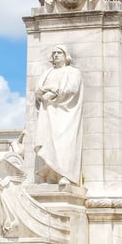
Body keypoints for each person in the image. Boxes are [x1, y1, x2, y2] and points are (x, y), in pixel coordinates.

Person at [33, 45, 83, 185]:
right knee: (47, 143)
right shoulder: (47, 73)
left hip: (66, 113)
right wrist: (46, 91)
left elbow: (72, 89)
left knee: (64, 144)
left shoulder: (72, 72)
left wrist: (55, 92)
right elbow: (38, 90)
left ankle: (65, 175)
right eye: (54, 53)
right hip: (46, 112)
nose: (56, 55)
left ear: (65, 55)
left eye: (59, 52)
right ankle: (49, 175)